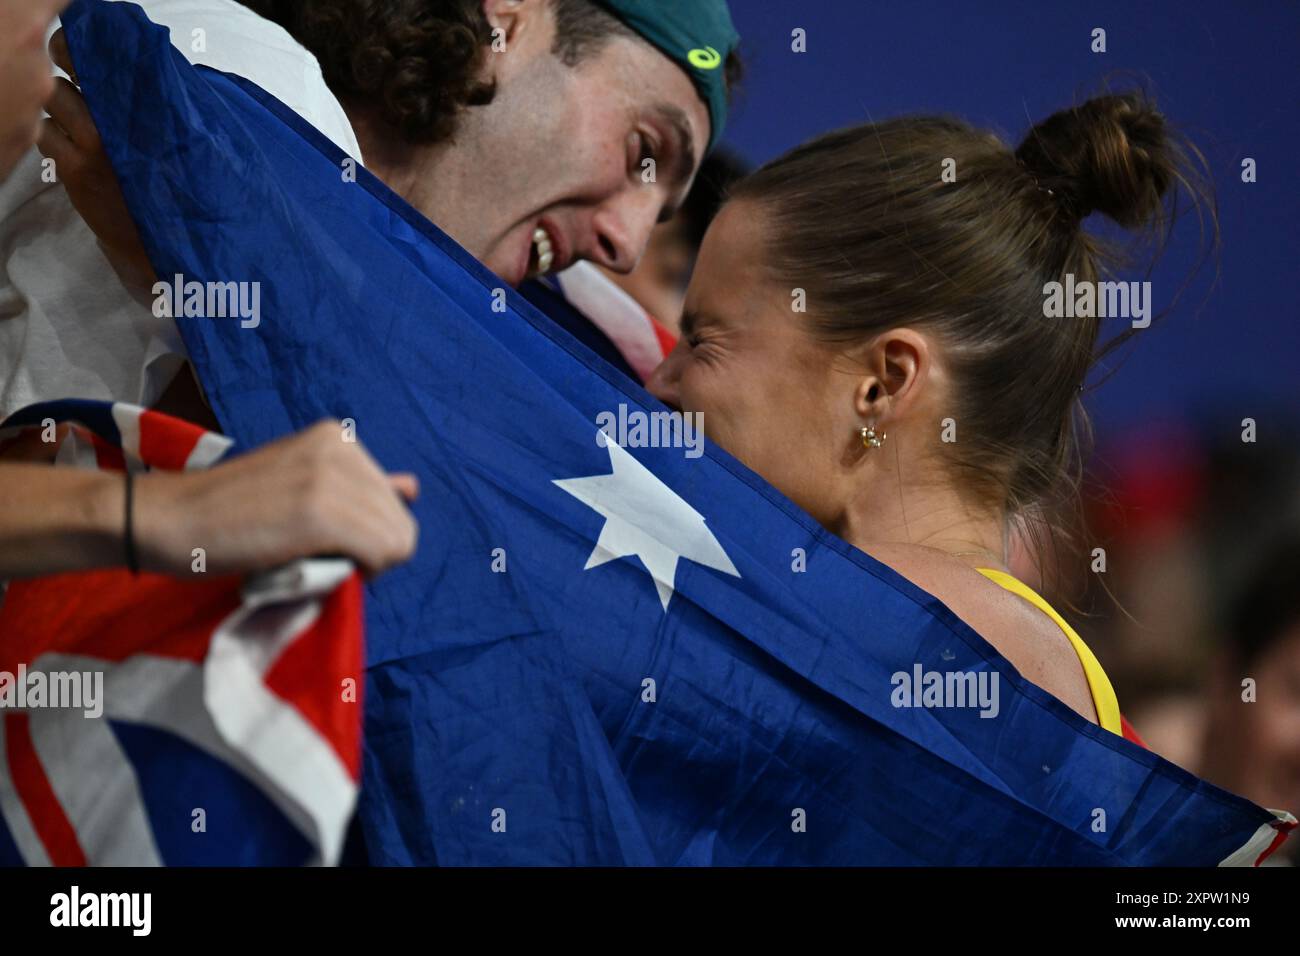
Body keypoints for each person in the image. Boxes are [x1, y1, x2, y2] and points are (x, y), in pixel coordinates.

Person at [0, 0, 740, 579]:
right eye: (644, 152)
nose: (628, 245)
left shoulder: (310, 219)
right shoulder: (255, 87)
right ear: (509, 19)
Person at [648, 91, 1212, 730]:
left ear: (884, 384)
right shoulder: (1090, 700)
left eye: (702, 339)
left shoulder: (818, 620)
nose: (659, 378)